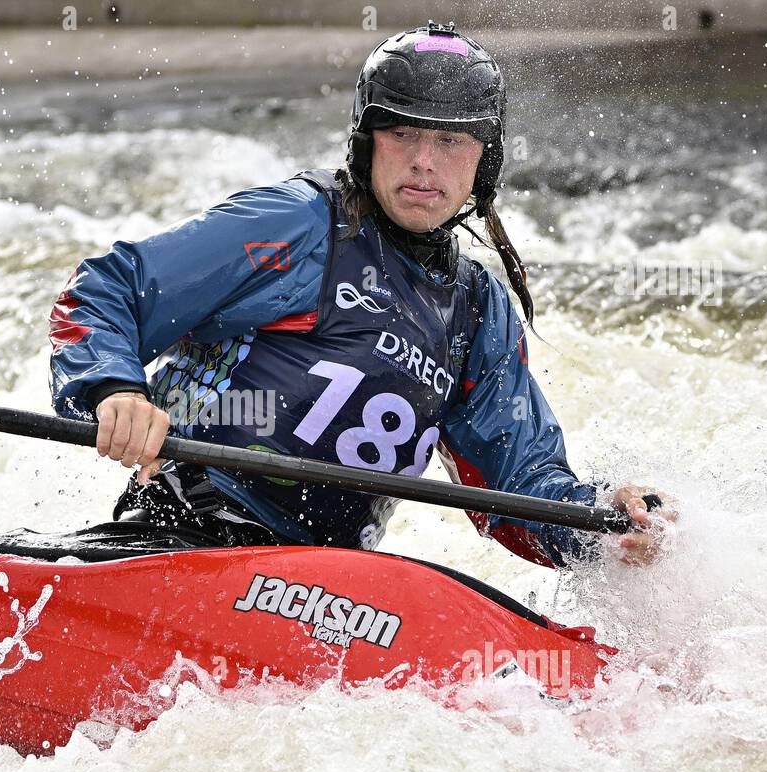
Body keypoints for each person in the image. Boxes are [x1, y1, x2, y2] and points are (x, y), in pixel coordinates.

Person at [49, 22, 673, 567]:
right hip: (185, 532)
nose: (424, 162)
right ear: (367, 141)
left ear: (484, 162)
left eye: (451, 142)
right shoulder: (297, 225)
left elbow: (521, 483)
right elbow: (109, 290)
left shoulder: (477, 311)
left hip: (330, 589)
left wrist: (601, 523)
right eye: (403, 134)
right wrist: (115, 389)